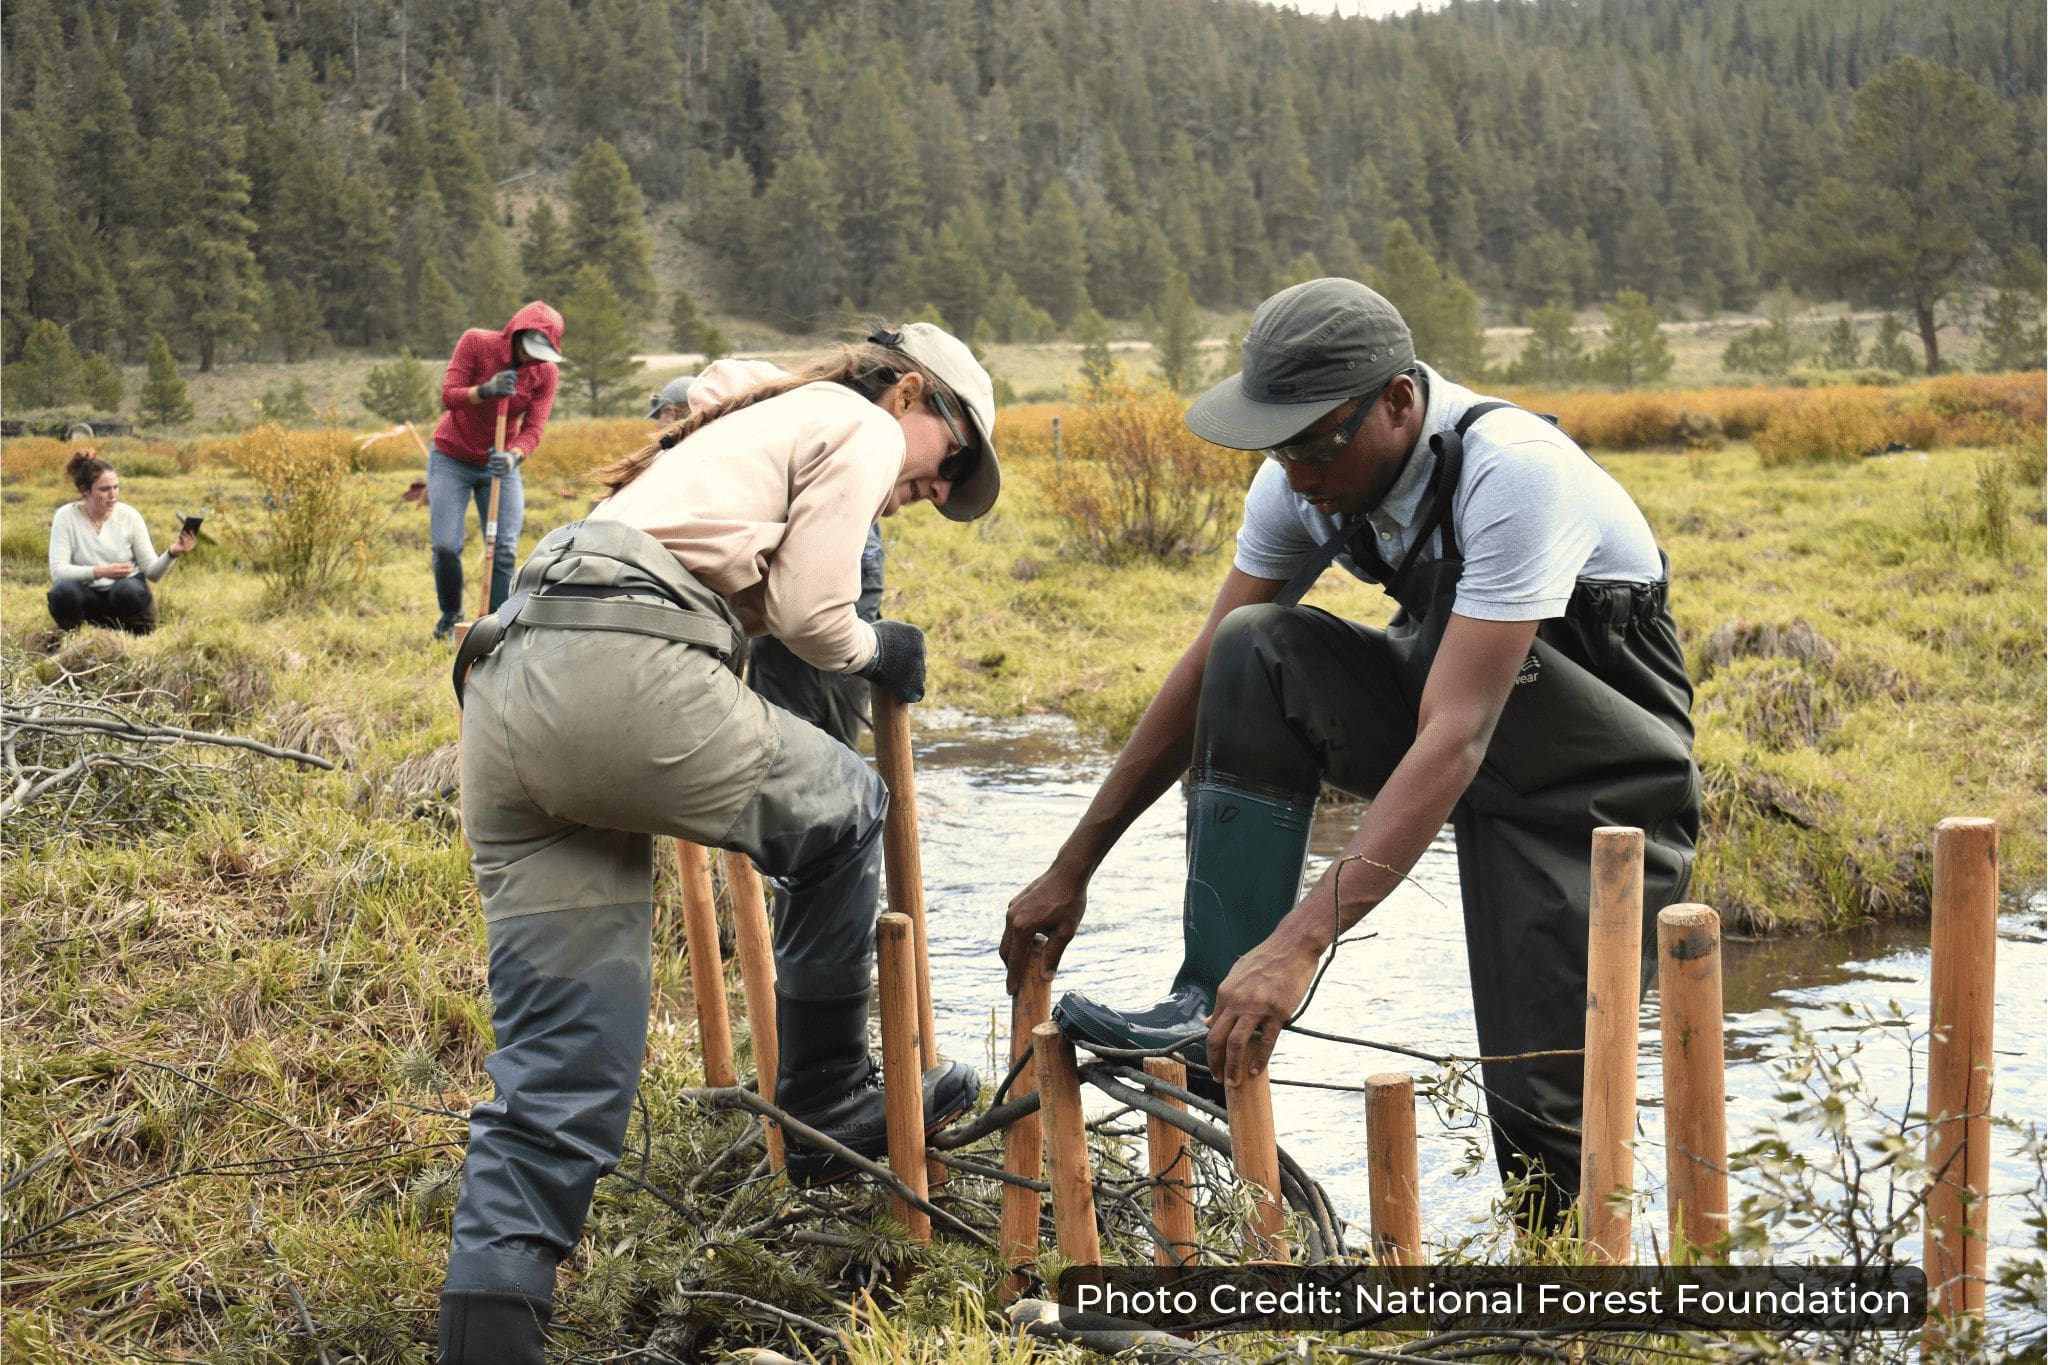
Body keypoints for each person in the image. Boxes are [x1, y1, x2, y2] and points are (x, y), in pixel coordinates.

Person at [1001, 278, 1698, 1230]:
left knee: (1542, 1113)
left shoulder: (1515, 471)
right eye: (1276, 444)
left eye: (1315, 440)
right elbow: (1208, 670)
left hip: (1594, 785)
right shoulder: (1306, 478)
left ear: (1399, 401)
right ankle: (1207, 999)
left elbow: (1457, 735)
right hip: (1451, 720)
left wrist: (1297, 943)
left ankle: (1587, 1319)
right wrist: (1070, 867)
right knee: (1250, 647)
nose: (1294, 470)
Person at [439, 323, 1001, 1365]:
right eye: (950, 454)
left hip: (509, 688)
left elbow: (736, 401)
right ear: (911, 393)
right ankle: (828, 1097)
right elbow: (814, 614)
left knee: (557, 1089)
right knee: (844, 808)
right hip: (617, 672)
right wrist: (885, 646)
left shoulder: (755, 419)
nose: (937, 483)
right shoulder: (857, 421)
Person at [652, 367, 891, 748]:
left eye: (667, 415)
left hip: (821, 620)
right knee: (787, 746)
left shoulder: (799, 454)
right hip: (787, 627)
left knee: (810, 749)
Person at [428, 301, 566, 641]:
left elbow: (534, 429)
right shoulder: (476, 343)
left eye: (541, 353)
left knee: (504, 548)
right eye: (528, 349)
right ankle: (450, 615)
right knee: (446, 545)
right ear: (514, 334)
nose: (532, 359)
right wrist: (486, 390)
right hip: (452, 457)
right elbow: (449, 397)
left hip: (500, 464)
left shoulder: (545, 373)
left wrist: (514, 457)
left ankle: (493, 626)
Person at [46, 450, 196, 634]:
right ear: (85, 490)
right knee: (62, 591)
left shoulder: (129, 515)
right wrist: (100, 572)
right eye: (104, 489)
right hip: (87, 596)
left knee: (127, 589)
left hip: (123, 596)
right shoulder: (66, 516)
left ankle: (139, 633)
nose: (113, 495)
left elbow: (152, 572)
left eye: (116, 487)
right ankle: (71, 636)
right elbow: (58, 572)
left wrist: (173, 553)